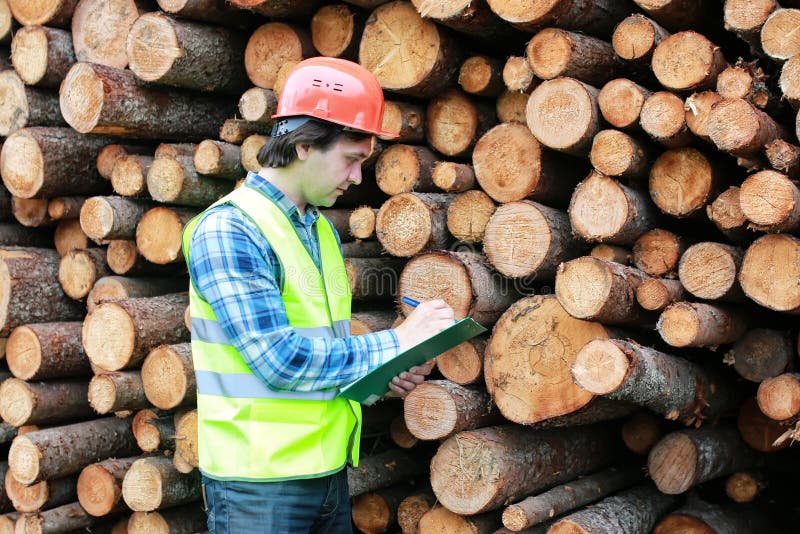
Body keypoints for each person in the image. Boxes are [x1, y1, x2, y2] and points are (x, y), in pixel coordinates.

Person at [182, 57, 455, 534]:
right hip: (258, 487)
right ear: (303, 144)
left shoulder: (319, 231)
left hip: (325, 474)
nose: (357, 177)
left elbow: (323, 353)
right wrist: (398, 340)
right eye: (351, 159)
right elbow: (281, 361)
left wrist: (383, 374)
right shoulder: (231, 229)